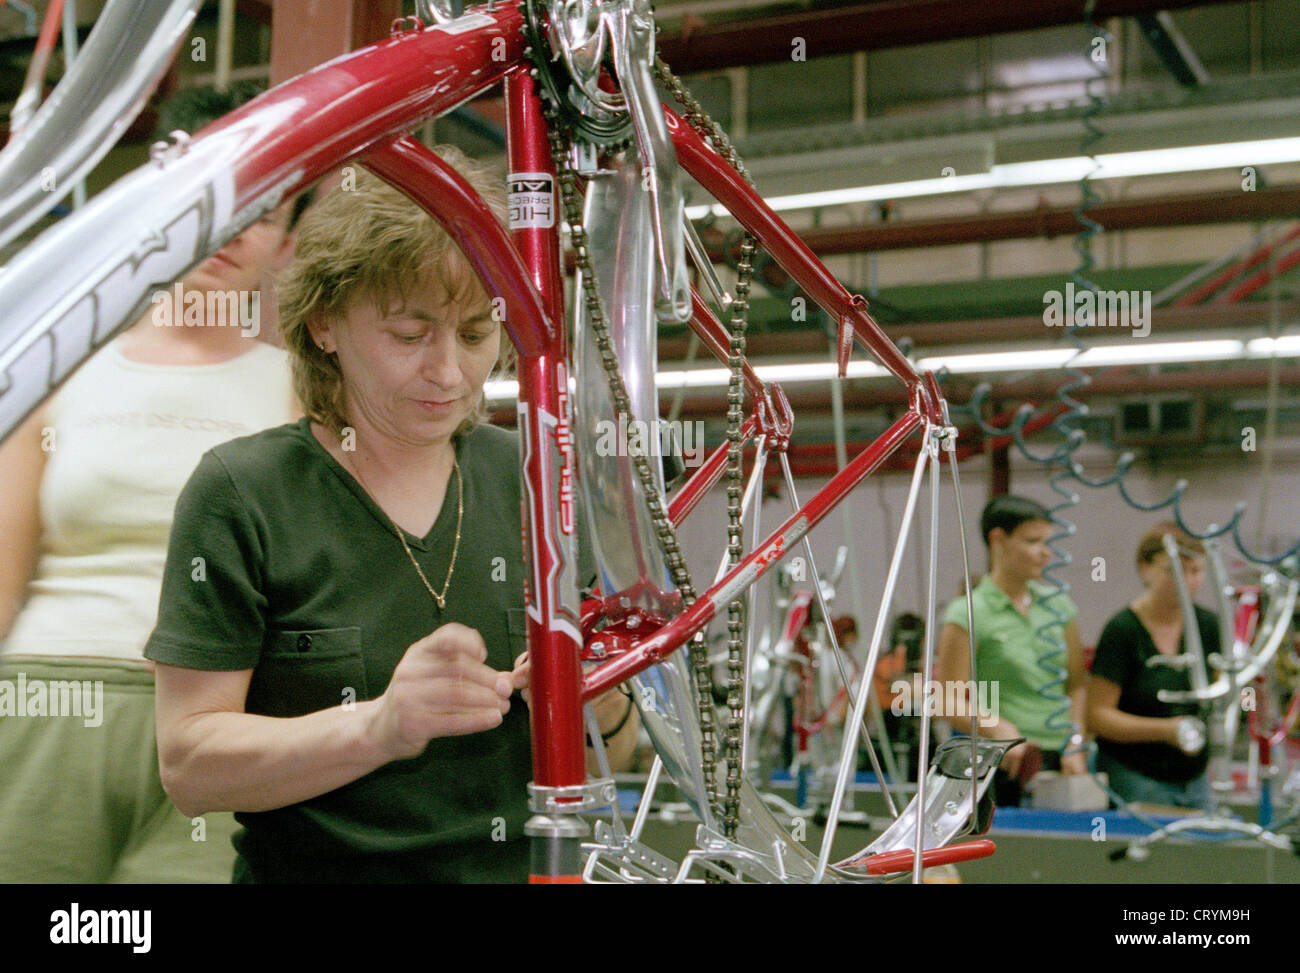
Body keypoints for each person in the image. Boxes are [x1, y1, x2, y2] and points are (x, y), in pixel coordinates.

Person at [144, 157, 637, 883]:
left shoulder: (537, 477)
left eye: (475, 335)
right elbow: (189, 765)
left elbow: (612, 752)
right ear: (324, 323)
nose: (448, 372)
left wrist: (582, 695)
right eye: (410, 334)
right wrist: (378, 726)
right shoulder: (243, 493)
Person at [0, 83, 312, 882]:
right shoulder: (55, 372)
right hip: (42, 707)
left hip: (217, 726)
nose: (230, 233)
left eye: (264, 210)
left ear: (285, 244)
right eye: (210, 200)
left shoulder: (304, 393)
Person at [936, 495, 1088, 806]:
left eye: (1048, 542)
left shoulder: (1059, 607)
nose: (1046, 553)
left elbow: (1077, 685)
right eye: (1033, 541)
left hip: (1064, 764)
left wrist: (1076, 741)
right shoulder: (968, 612)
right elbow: (946, 698)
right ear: (998, 540)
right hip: (1003, 762)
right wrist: (998, 728)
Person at [1086, 523, 1216, 810]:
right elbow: (1097, 716)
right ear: (1145, 569)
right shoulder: (1123, 631)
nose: (1187, 582)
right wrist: (1167, 730)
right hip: (1136, 776)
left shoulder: (1209, 627)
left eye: (1195, 572)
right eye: (1174, 572)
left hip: (1195, 777)